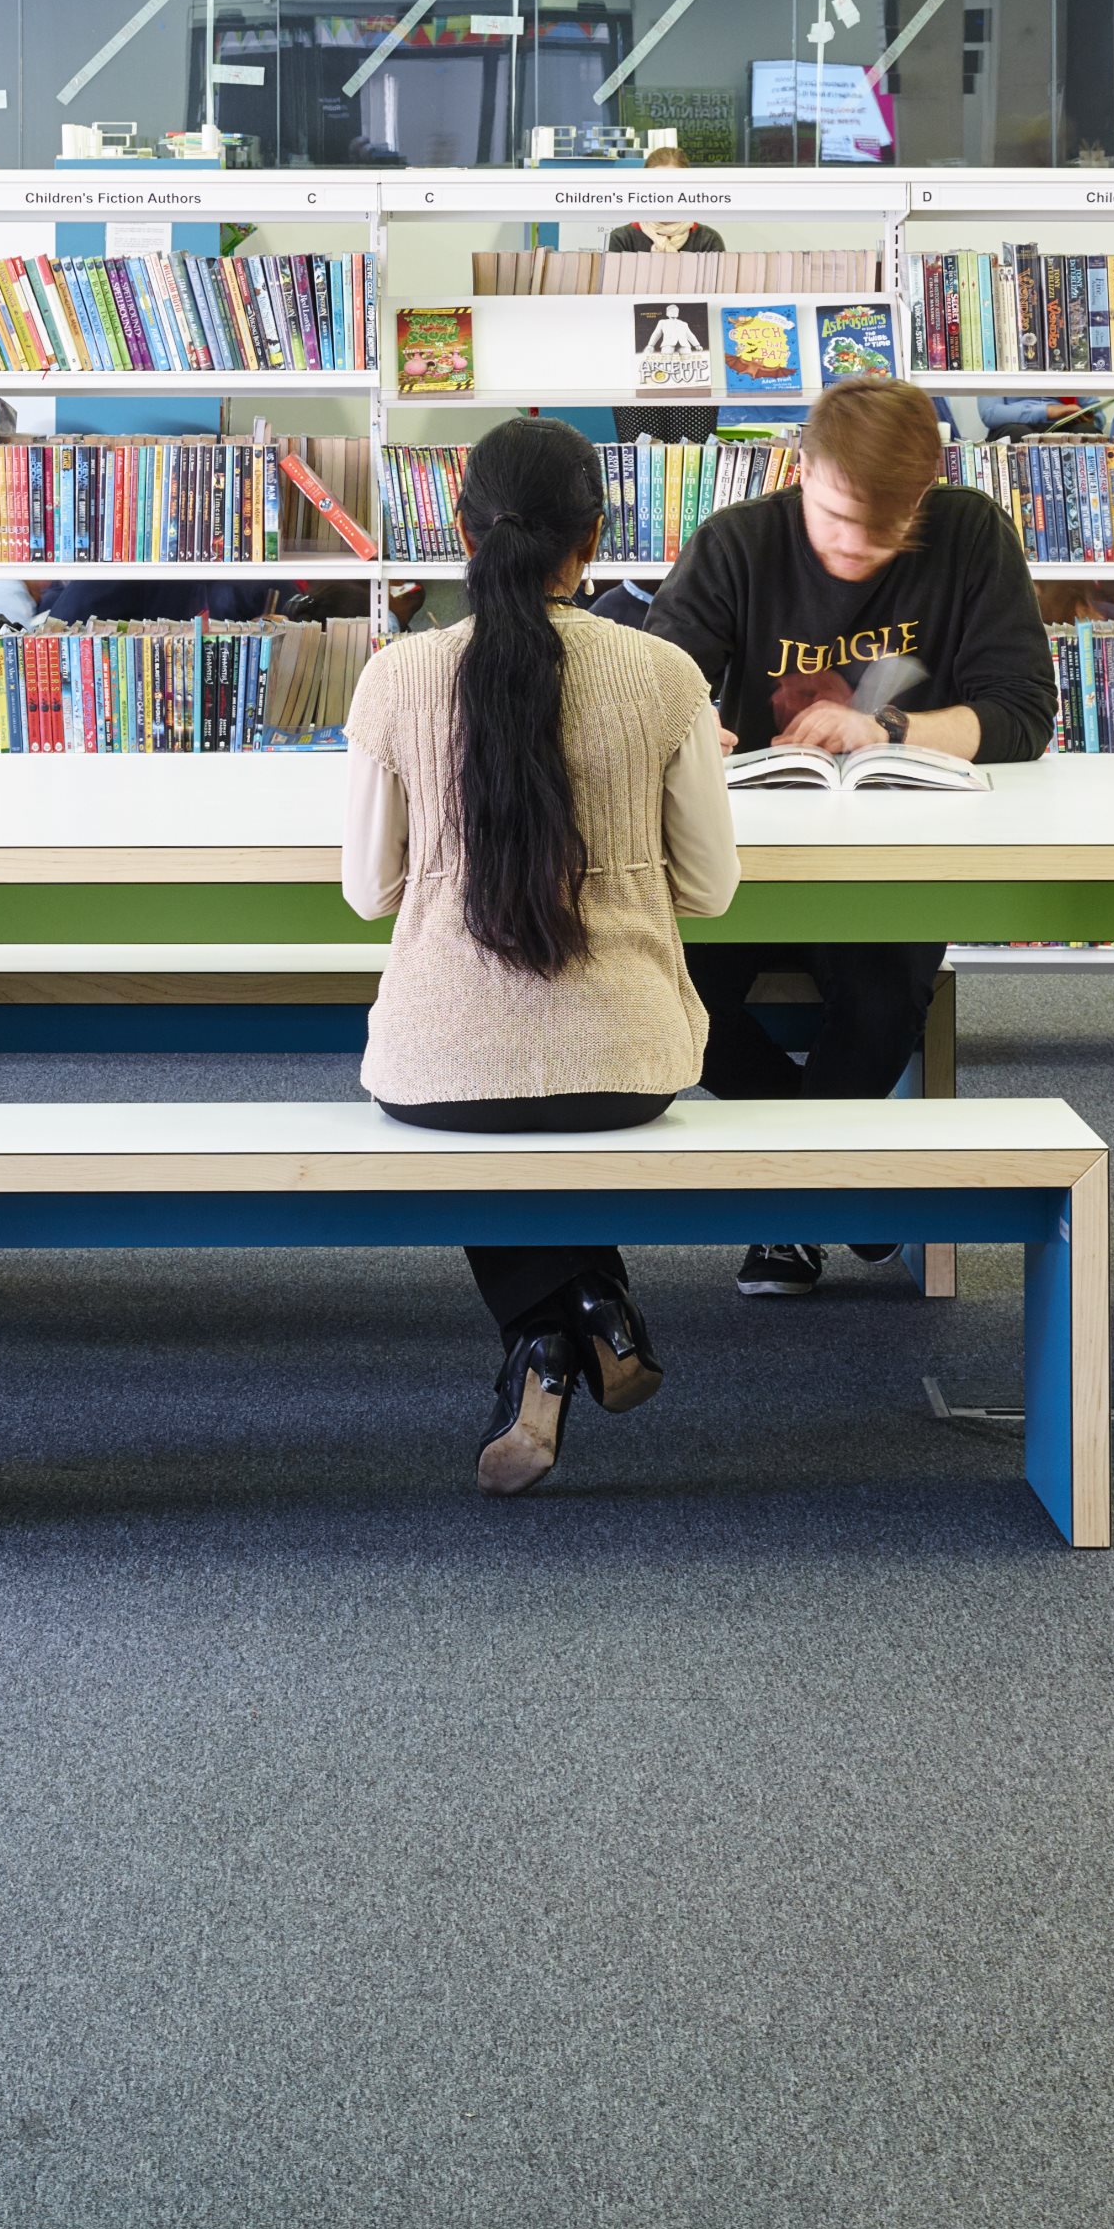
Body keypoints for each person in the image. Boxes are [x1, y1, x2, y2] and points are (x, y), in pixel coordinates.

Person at [340, 416, 738, 1496]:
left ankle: (552, 1329)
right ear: (594, 537)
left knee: (480, 1084)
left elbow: (368, 889)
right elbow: (708, 888)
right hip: (632, 1063)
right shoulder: (664, 674)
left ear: (463, 531)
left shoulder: (399, 675)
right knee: (537, 1079)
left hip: (441, 1067)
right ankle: (582, 1313)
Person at [642, 376, 1054, 1301]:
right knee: (669, 999)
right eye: (835, 517)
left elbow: (1022, 714)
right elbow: (655, 684)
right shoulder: (739, 543)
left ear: (925, 493)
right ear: (803, 469)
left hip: (895, 853)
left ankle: (790, 1213)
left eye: (883, 530)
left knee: (878, 1001)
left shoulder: (970, 535)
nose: (855, 549)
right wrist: (681, 724)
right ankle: (841, 1182)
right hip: (745, 856)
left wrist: (891, 730)